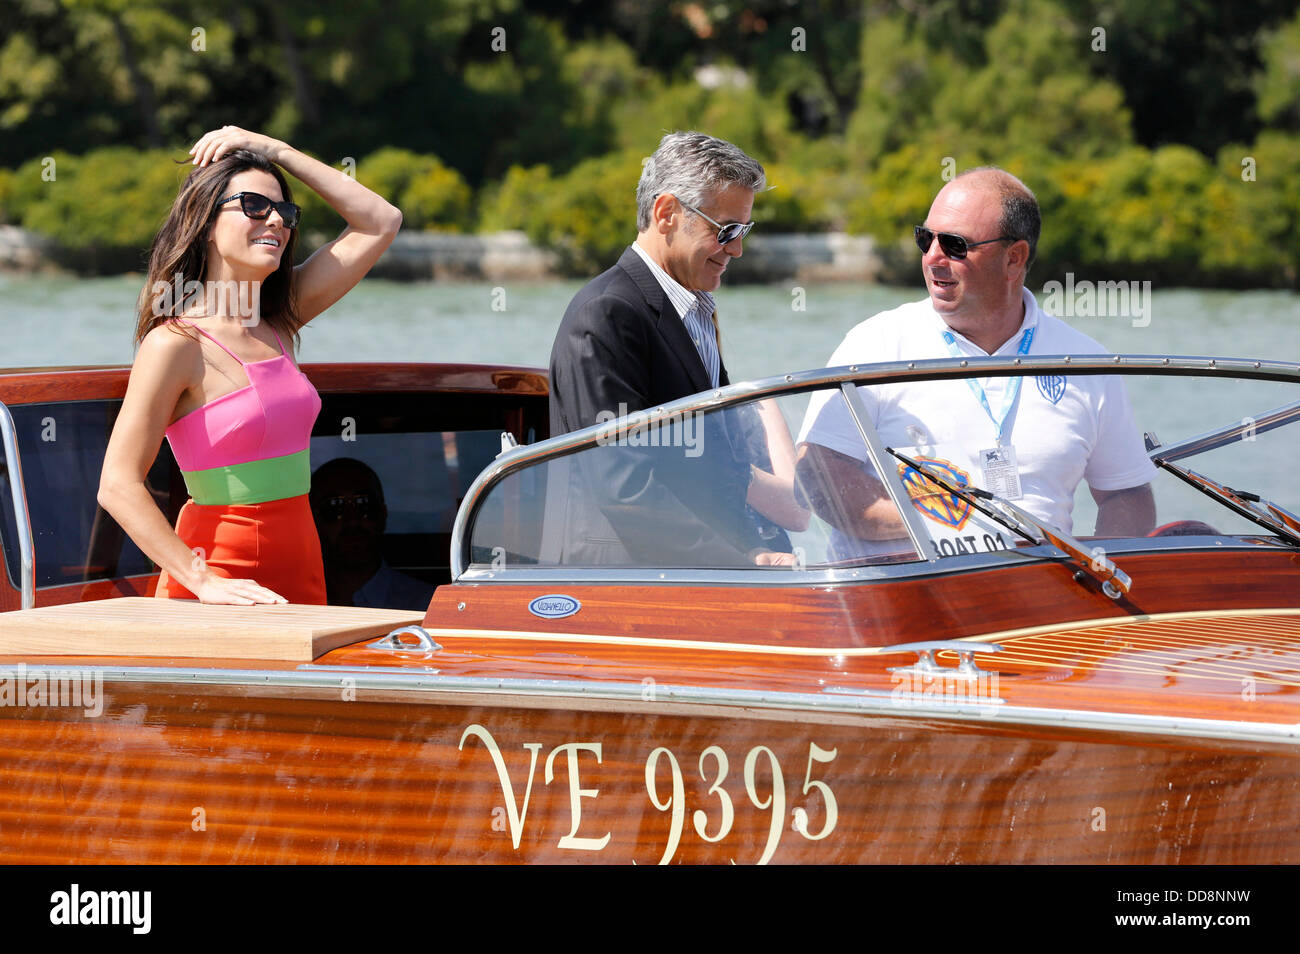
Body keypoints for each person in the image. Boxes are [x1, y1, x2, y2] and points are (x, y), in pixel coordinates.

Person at [98, 126, 402, 604]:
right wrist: (200, 579)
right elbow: (117, 483)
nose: (276, 221)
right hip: (219, 573)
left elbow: (380, 220)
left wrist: (276, 150)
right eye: (255, 207)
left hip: (302, 558)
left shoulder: (281, 317)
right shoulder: (175, 344)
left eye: (284, 211)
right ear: (205, 220)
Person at [797, 167, 1156, 560]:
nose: (932, 257)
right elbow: (817, 473)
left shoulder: (1088, 363)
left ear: (1014, 258)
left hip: (1044, 602)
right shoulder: (874, 344)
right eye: (925, 238)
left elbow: (1125, 493)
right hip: (897, 599)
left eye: (954, 245)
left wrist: (1102, 578)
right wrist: (950, 522)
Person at [546, 131, 802, 567]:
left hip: (692, 570)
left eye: (746, 231)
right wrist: (740, 563)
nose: (737, 249)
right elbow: (622, 484)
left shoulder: (692, 307)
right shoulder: (607, 314)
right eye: (727, 230)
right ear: (666, 213)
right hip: (624, 585)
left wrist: (755, 549)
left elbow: (715, 466)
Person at [310, 458, 436, 611]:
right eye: (334, 507)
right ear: (312, 520)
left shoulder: (428, 607)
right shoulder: (294, 604)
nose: (352, 521)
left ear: (383, 514)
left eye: (365, 505)